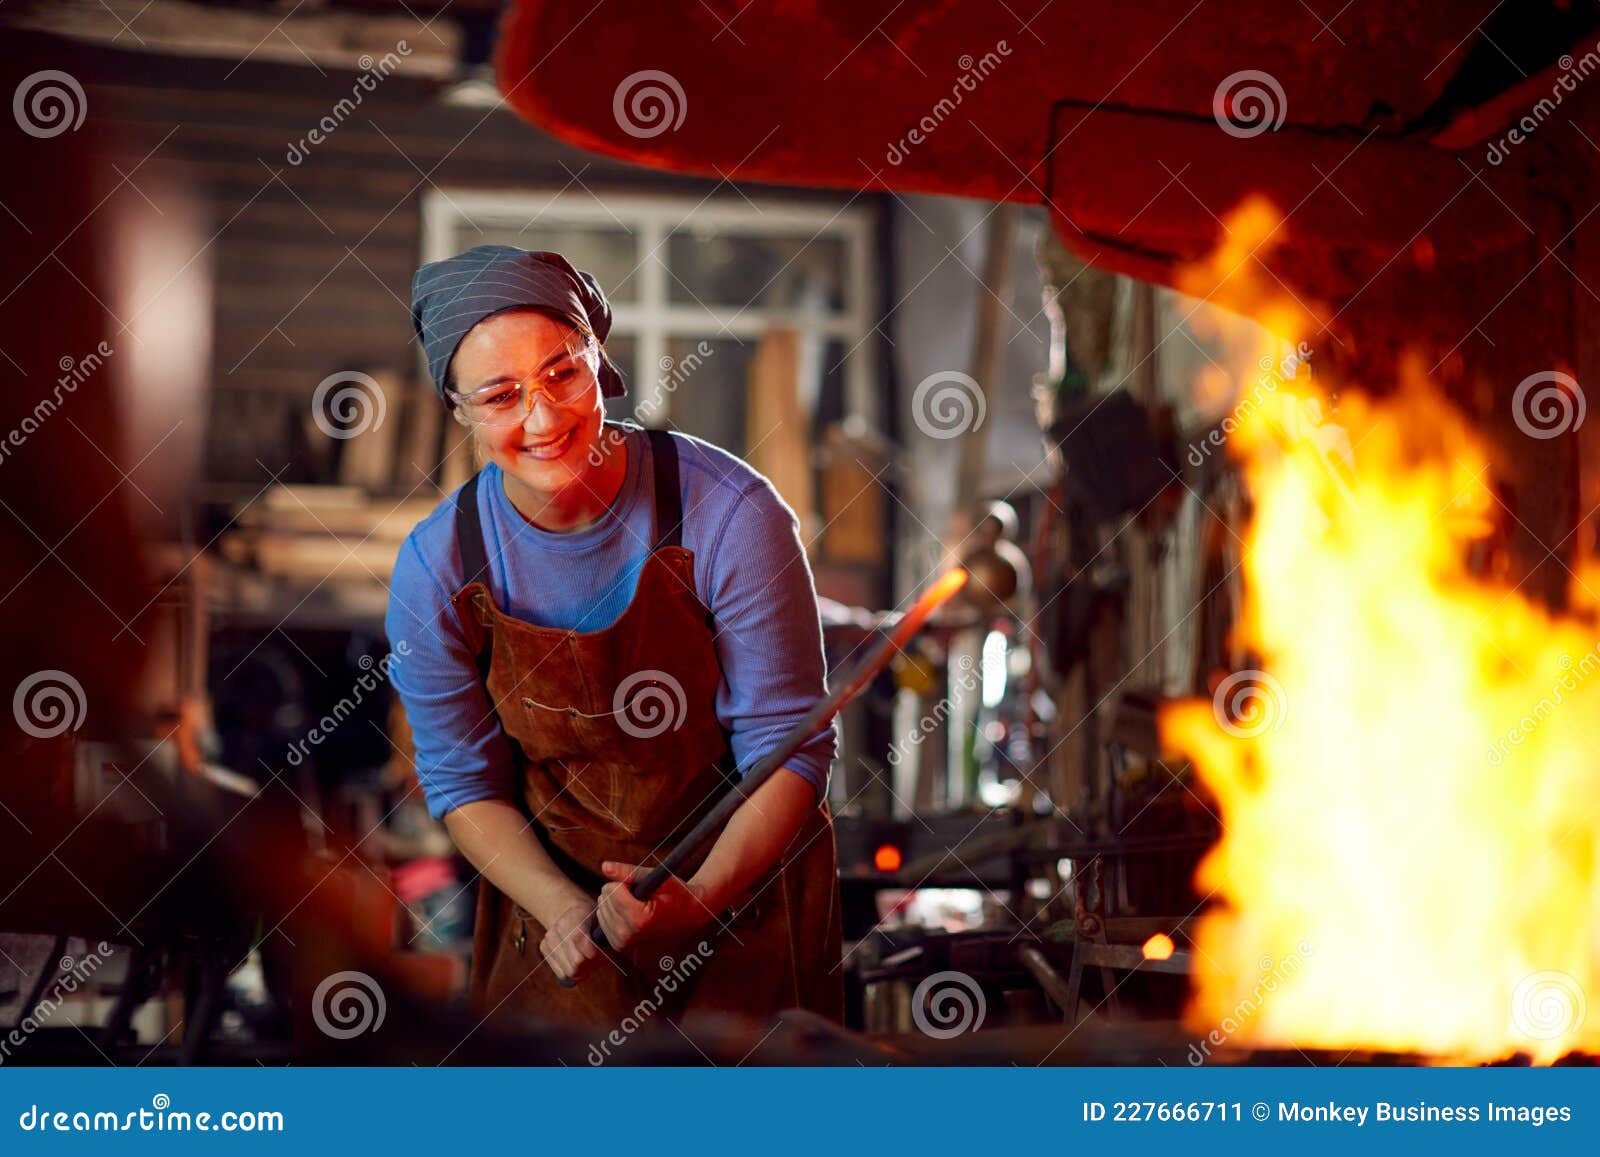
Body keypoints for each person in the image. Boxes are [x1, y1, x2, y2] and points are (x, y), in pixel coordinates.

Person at [387, 245, 842, 1028]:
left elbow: (790, 745)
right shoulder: (439, 568)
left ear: (599, 356)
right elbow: (463, 783)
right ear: (457, 410)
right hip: (559, 938)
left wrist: (699, 899)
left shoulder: (730, 516)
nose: (542, 417)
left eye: (563, 372)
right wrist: (564, 909)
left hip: (747, 913)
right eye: (499, 395)